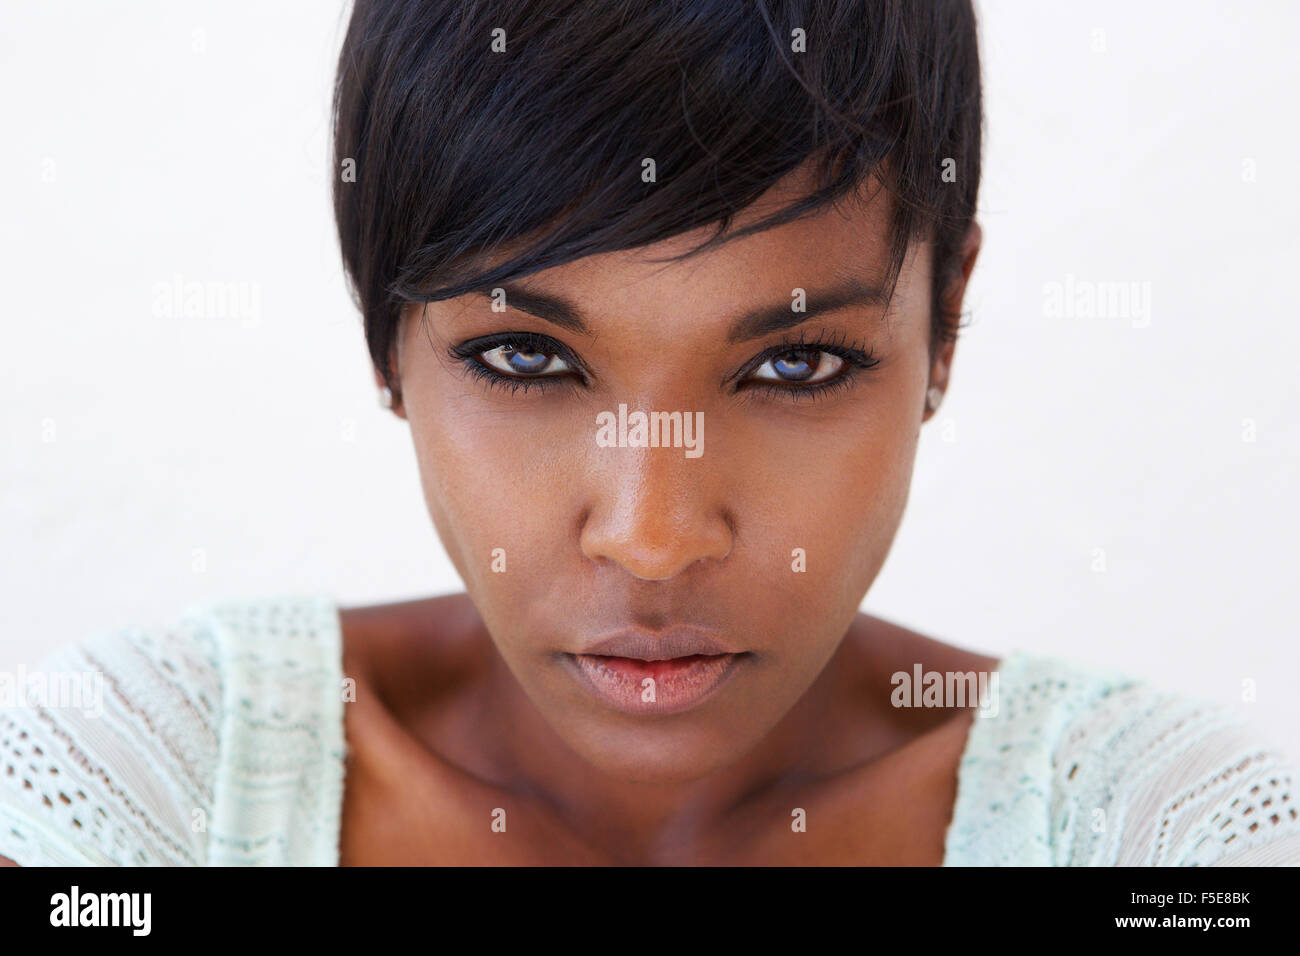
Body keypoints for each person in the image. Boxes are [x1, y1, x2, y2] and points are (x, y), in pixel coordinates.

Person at [2, 0, 1297, 866]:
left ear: (943, 323)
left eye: (795, 362)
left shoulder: (1170, 838)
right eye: (526, 358)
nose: (655, 537)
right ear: (382, 337)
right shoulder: (131, 793)